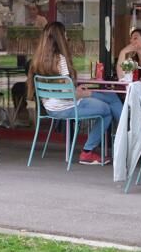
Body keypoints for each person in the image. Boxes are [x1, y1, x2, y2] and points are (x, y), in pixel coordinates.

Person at [28, 21, 122, 166]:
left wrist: (78, 91)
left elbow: (63, 90)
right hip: (66, 107)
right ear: (60, 37)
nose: (67, 37)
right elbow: (68, 94)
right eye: (65, 34)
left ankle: (127, 136)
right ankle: (89, 152)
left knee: (110, 97)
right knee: (107, 109)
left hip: (51, 108)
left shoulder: (37, 60)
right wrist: (84, 94)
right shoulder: (61, 59)